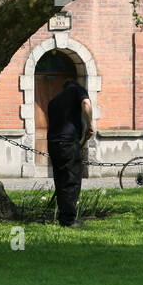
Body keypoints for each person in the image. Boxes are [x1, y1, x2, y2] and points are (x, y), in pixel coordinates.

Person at [45, 77, 94, 227]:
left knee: (60, 180)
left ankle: (63, 217)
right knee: (71, 180)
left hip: (53, 143)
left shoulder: (53, 101)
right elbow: (86, 104)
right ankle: (69, 220)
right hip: (68, 143)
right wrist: (89, 125)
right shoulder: (78, 91)